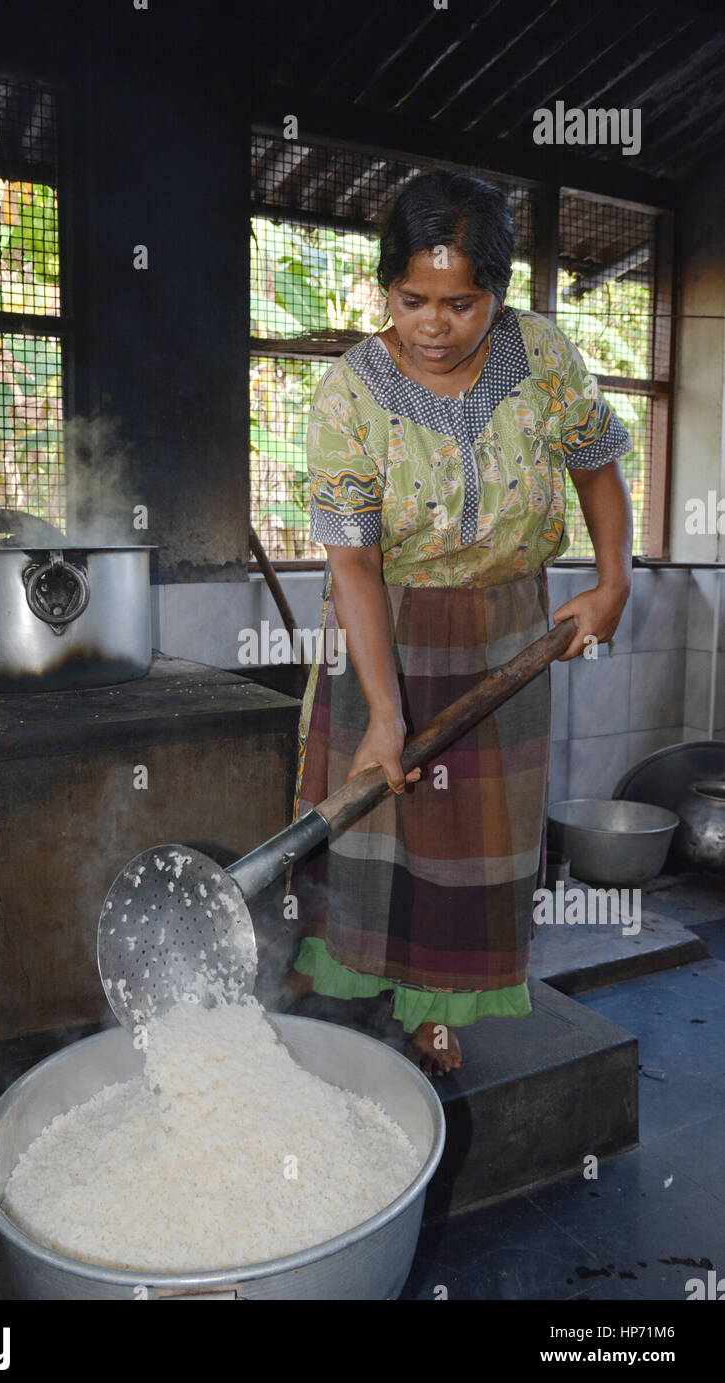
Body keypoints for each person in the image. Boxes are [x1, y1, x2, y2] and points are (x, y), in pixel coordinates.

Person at [284, 169, 633, 1077]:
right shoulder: (351, 394)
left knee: (472, 845)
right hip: (384, 627)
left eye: (461, 303)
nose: (434, 325)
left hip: (507, 625)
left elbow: (597, 465)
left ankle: (440, 1009)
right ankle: (353, 980)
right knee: (372, 823)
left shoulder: (543, 358)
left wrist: (613, 582)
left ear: (498, 294)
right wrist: (385, 712)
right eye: (412, 300)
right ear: (385, 287)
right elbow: (352, 559)